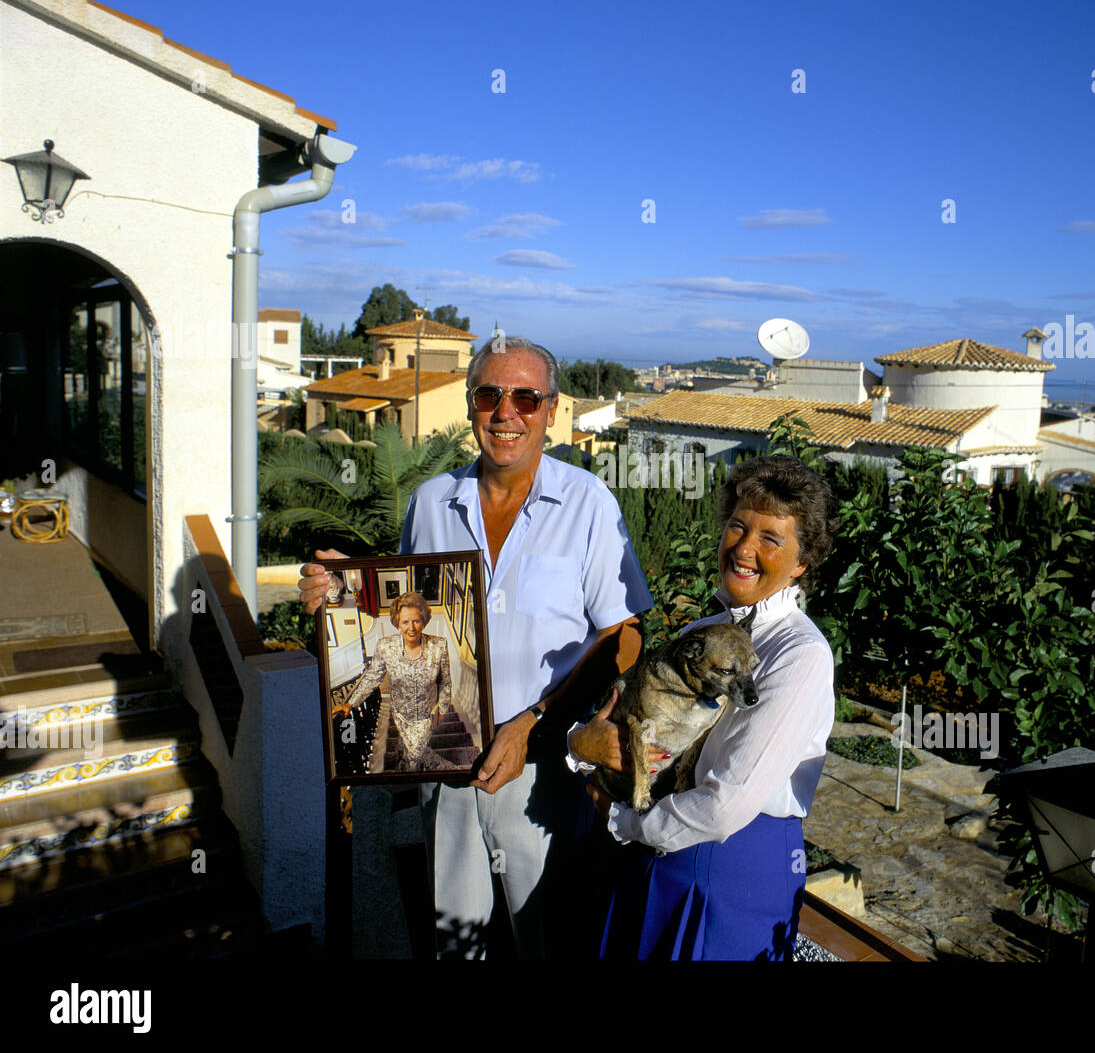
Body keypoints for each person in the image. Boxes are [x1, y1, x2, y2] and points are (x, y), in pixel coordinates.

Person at [301, 336, 650, 959]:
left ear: (550, 410)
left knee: (551, 943)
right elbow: (408, 617)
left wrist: (531, 725)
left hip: (546, 773)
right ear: (470, 406)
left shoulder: (589, 504)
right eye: (490, 395)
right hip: (446, 769)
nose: (506, 412)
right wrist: (343, 597)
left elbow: (623, 638)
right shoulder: (431, 501)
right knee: (455, 947)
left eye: (526, 397)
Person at [571, 454, 838, 960]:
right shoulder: (699, 635)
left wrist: (624, 822)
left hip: (733, 864)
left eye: (770, 539)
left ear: (802, 564)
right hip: (662, 846)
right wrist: (581, 745)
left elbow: (724, 806)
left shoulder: (800, 656)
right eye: (738, 526)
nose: (744, 548)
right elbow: (629, 716)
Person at [331, 591, 454, 772]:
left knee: (416, 756)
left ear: (424, 621)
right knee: (406, 747)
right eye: (405, 622)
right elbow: (372, 677)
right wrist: (350, 703)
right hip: (400, 714)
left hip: (426, 718)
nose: (411, 627)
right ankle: (403, 765)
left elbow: (445, 682)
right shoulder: (385, 646)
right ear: (397, 623)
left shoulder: (439, 645)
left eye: (416, 621)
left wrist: (442, 710)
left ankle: (439, 777)